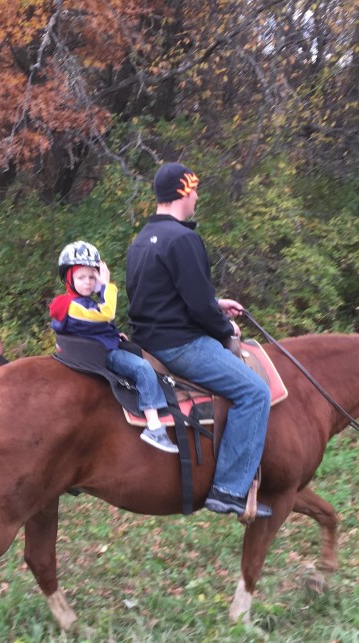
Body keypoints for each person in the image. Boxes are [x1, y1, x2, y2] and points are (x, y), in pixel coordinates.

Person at [125, 164, 272, 518]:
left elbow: (163, 294)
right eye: (194, 192)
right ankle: (229, 490)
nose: (197, 199)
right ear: (183, 192)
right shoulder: (184, 239)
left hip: (148, 339)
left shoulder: (142, 238)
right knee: (255, 392)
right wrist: (224, 329)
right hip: (181, 345)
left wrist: (215, 304)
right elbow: (198, 307)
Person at [50, 240, 178, 453]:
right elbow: (105, 314)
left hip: (95, 346)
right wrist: (106, 285)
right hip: (98, 354)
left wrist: (112, 334)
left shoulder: (82, 303)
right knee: (143, 368)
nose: (88, 282)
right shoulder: (68, 304)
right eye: (81, 277)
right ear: (68, 278)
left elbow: (92, 324)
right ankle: (154, 426)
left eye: (93, 277)